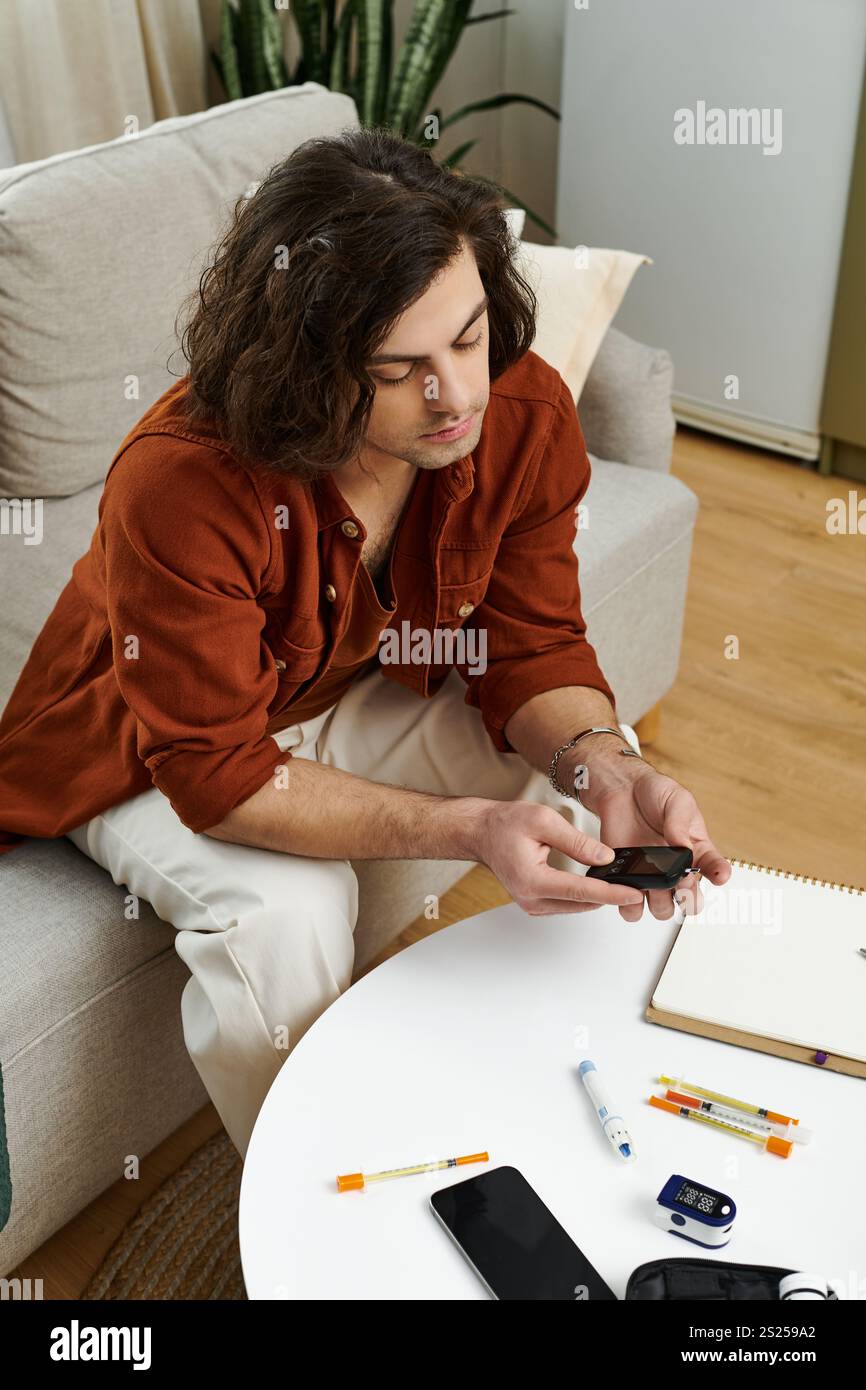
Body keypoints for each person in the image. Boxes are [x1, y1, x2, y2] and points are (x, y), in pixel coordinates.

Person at [0, 128, 730, 1157]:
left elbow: (532, 644)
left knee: (564, 788)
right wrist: (468, 829)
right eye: (402, 369)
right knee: (285, 913)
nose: (457, 397)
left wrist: (606, 763)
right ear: (309, 368)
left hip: (324, 697)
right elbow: (216, 773)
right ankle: (321, 1183)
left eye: (469, 340)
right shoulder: (181, 484)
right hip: (144, 751)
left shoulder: (518, 414)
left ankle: (533, 1080)